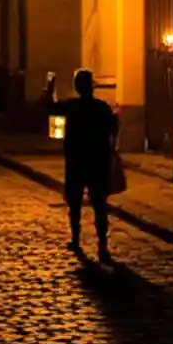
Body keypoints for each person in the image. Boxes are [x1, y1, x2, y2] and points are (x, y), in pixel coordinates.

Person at [44, 69, 119, 263]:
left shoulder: (72, 106)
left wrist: (50, 88)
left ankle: (76, 240)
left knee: (75, 204)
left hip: (76, 161)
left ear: (77, 86)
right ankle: (103, 246)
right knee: (100, 205)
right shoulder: (102, 107)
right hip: (97, 161)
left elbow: (49, 107)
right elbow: (113, 129)